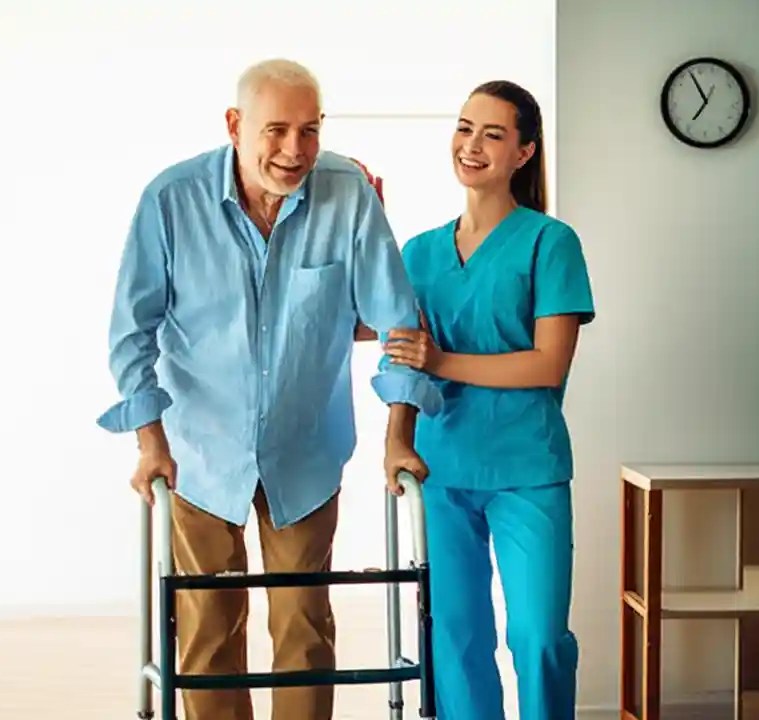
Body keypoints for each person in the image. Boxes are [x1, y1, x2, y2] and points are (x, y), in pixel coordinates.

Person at [96, 58, 442, 720]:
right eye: (276, 130)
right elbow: (130, 332)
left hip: (305, 451)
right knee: (206, 636)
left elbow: (399, 322)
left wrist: (399, 437)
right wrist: (151, 443)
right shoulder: (170, 200)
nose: (294, 151)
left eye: (309, 131)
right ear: (235, 124)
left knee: (304, 629)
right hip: (201, 451)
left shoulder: (347, 193)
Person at [378, 80, 594, 720]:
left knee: (537, 637)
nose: (471, 145)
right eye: (465, 127)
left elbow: (548, 363)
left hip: (527, 470)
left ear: (524, 153)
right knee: (456, 638)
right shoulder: (418, 252)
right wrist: (397, 438)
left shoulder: (550, 243)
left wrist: (442, 360)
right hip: (442, 470)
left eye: (493, 134)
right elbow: (402, 362)